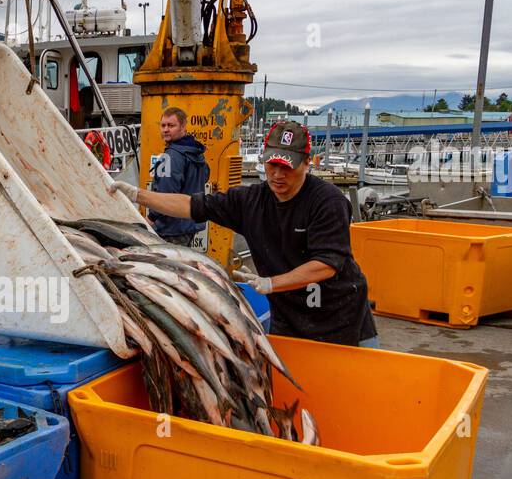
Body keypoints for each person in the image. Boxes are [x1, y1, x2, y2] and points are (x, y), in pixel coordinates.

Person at [112, 119, 379, 347]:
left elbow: (326, 265)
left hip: (340, 321)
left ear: (307, 163)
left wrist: (271, 283)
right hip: (288, 320)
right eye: (272, 164)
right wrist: (139, 195)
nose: (277, 174)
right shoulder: (250, 200)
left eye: (288, 167)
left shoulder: (327, 202)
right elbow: (192, 205)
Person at [146, 107, 209, 247]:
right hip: (190, 223)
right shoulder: (197, 153)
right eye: (163, 125)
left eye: (171, 125)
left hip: (171, 229)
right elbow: (205, 177)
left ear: (183, 127)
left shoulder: (170, 156)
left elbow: (165, 195)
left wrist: (151, 218)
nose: (166, 129)